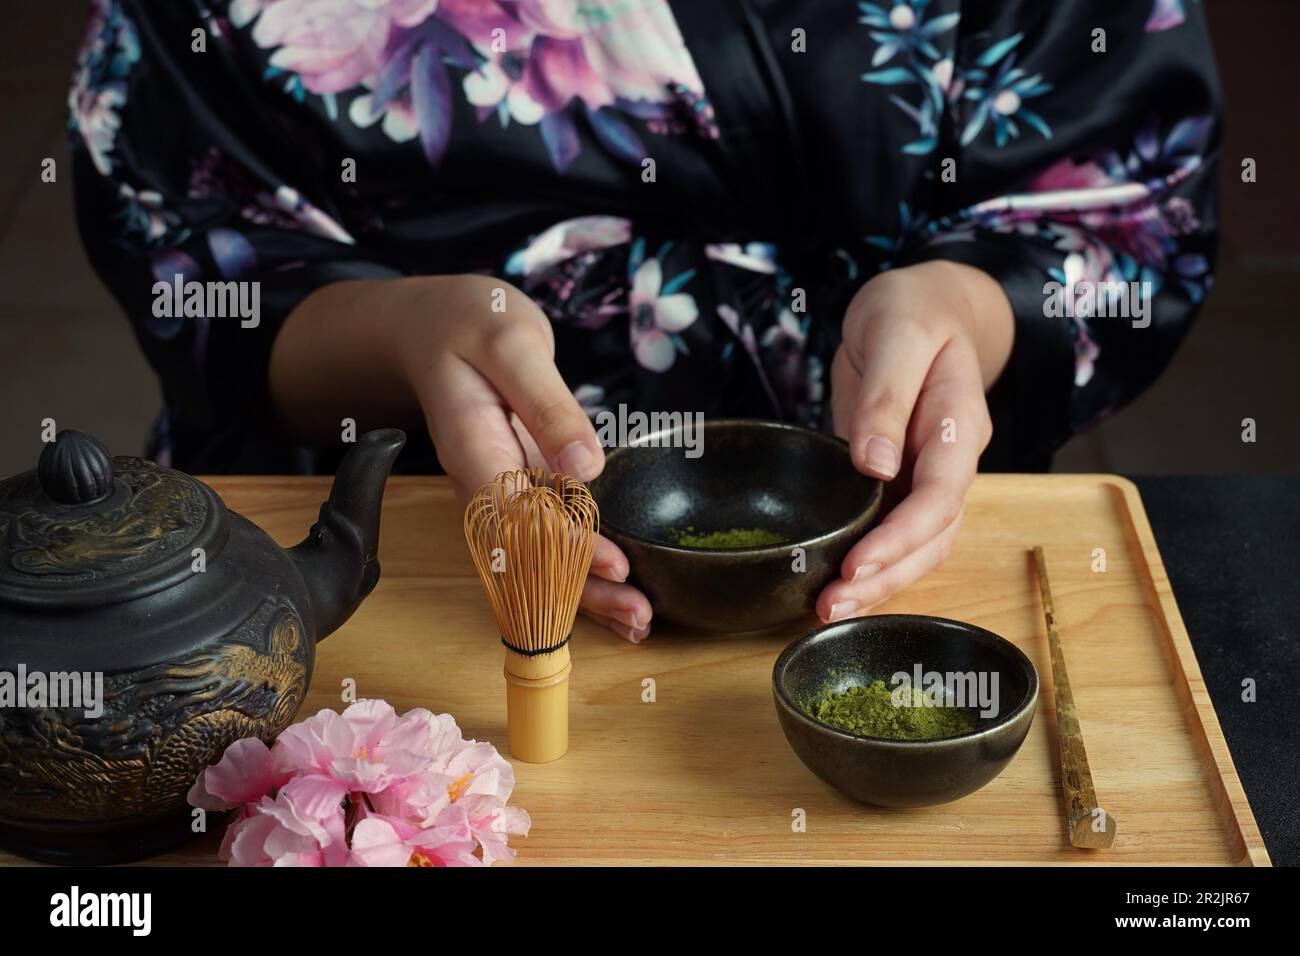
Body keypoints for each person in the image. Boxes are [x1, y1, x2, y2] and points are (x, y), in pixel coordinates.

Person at [70, 0, 1220, 641]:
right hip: (397, 529)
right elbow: (183, 250)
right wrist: (408, 336)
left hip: (897, 519)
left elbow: (1132, 199)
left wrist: (960, 306)